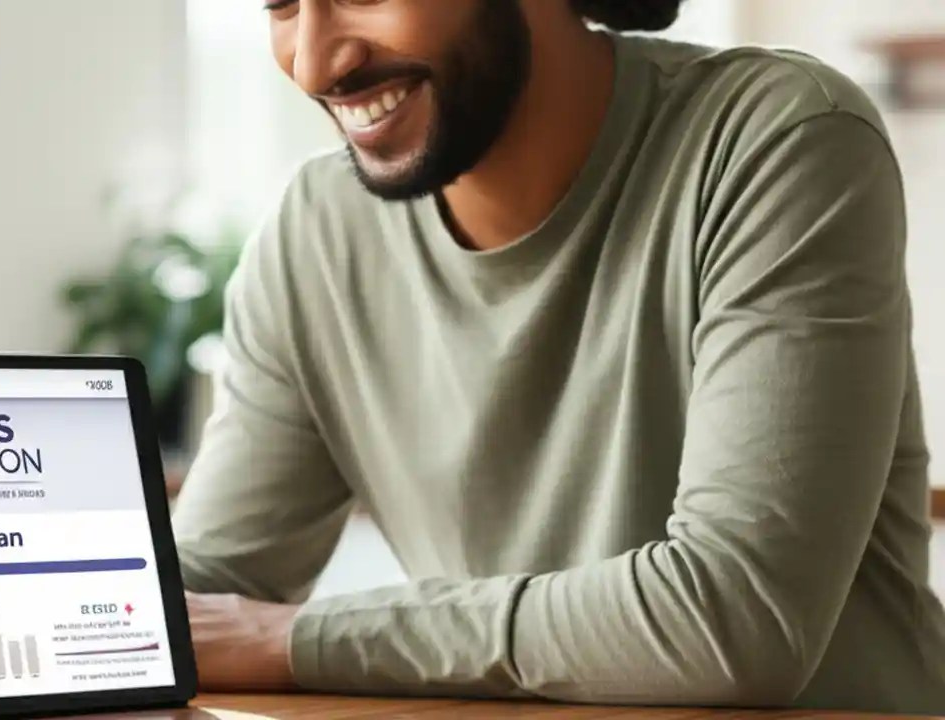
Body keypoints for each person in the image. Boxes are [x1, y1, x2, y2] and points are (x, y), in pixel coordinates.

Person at [172, 0, 945, 713]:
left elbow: (734, 619)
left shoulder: (777, 139)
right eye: (278, 2)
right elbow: (203, 599)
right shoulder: (314, 236)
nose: (313, 63)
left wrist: (295, 638)